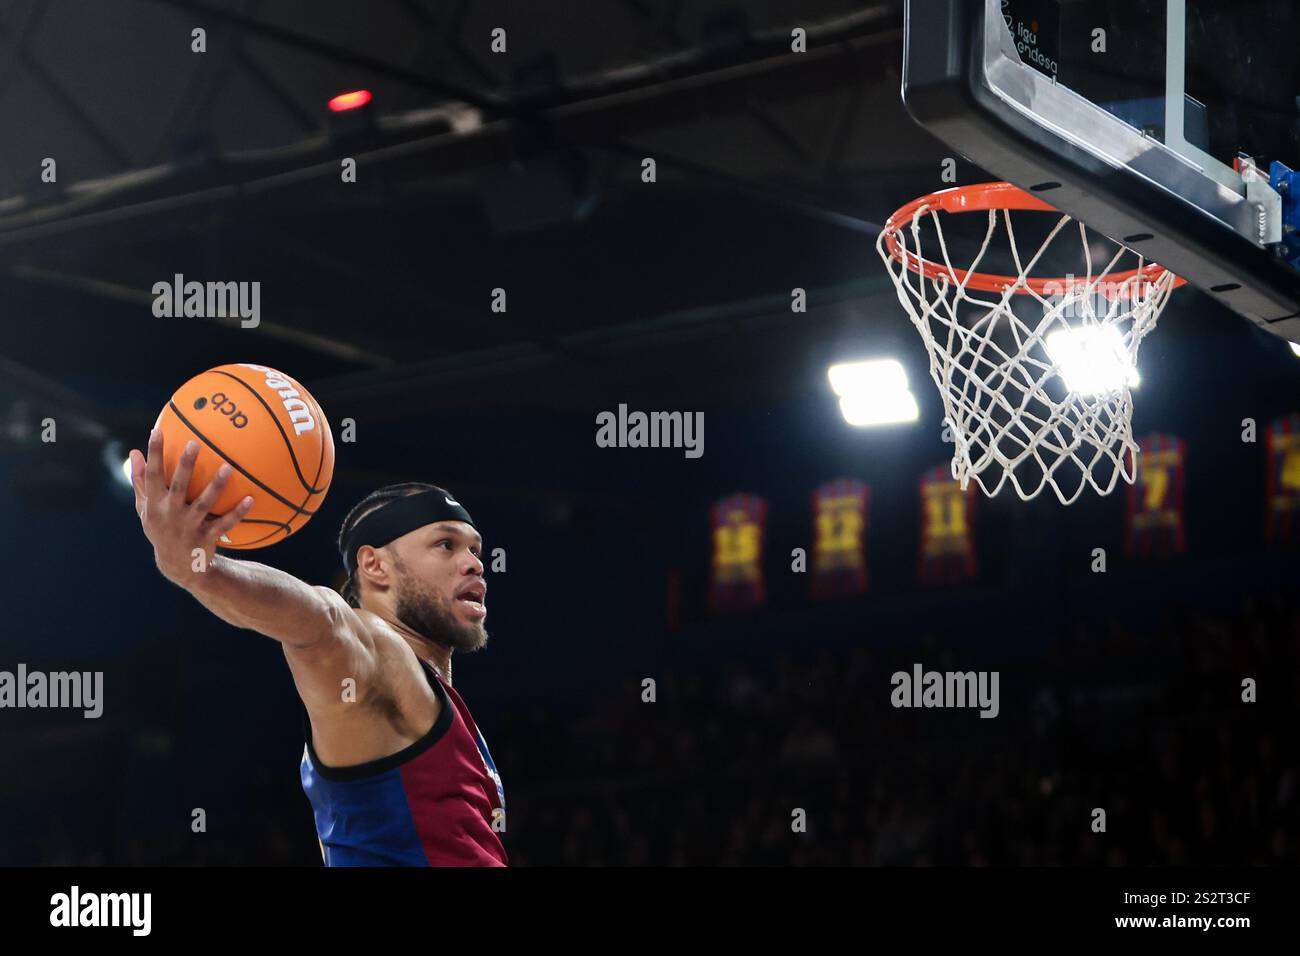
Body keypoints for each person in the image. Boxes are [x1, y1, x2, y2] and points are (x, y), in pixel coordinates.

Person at [129, 430, 507, 866]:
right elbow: (320, 618)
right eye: (446, 544)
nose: (475, 561)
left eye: (476, 549)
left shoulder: (440, 702)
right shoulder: (379, 657)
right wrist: (200, 570)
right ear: (375, 566)